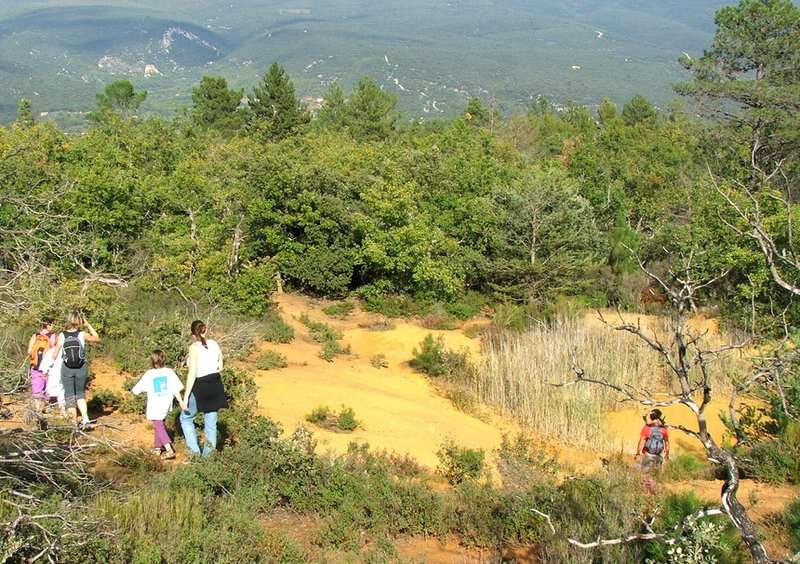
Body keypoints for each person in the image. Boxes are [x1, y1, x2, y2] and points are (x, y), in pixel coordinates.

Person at [179, 320, 228, 457]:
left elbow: (192, 373)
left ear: (193, 333)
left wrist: (185, 396)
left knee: (186, 418)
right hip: (216, 384)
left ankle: (194, 453)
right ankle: (208, 459)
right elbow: (221, 367)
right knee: (211, 423)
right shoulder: (214, 344)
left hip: (201, 385)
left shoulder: (194, 348)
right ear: (205, 330)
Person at [131, 350, 183, 460]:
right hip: (165, 404)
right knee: (159, 424)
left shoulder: (149, 374)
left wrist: (133, 391)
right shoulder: (169, 372)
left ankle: (169, 449)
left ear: (152, 361)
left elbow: (136, 389)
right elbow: (176, 389)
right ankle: (158, 447)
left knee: (158, 424)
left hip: (155, 404)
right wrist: (181, 401)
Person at [53, 312, 100, 428]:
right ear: (80, 321)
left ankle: (73, 422)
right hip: (81, 367)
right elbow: (97, 338)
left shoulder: (62, 335)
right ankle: (85, 419)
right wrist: (88, 324)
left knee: (69, 395)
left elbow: (54, 355)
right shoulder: (82, 334)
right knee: (80, 394)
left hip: (67, 368)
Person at [27, 318, 55, 412]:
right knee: (48, 387)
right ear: (49, 325)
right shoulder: (52, 336)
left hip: (35, 366)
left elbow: (29, 351)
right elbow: (55, 351)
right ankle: (47, 407)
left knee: (37, 388)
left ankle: (38, 408)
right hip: (47, 367)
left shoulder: (35, 336)